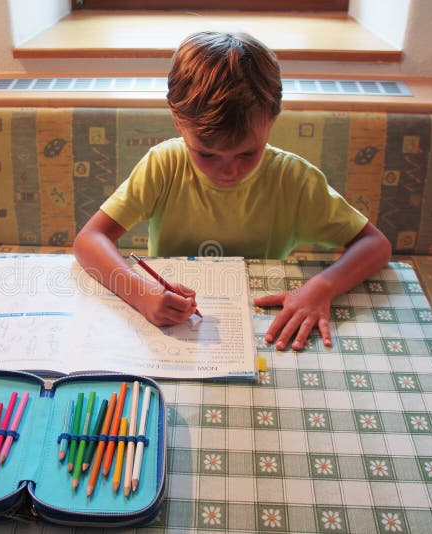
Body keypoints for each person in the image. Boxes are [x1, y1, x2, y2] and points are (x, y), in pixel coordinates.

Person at [73, 31, 391, 352]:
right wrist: (140, 292)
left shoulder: (292, 179)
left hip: (258, 327)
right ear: (177, 121)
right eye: (207, 154)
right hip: (171, 327)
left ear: (272, 119)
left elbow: (375, 245)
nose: (229, 171)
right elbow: (89, 240)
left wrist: (320, 288)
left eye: (247, 154)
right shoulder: (164, 164)